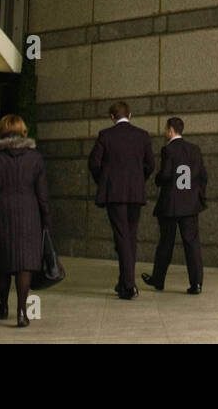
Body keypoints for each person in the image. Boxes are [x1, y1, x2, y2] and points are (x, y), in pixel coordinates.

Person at [0, 115, 51, 328]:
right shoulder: (35, 158)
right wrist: (46, 218)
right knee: (24, 265)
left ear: (1, 132)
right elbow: (42, 193)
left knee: (4, 264)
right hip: (29, 215)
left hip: (1, 215)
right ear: (23, 131)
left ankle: (3, 305)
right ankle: (22, 312)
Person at [88, 100, 154, 299]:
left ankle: (128, 284)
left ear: (112, 117)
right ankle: (124, 281)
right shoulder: (142, 136)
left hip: (114, 194)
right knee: (130, 237)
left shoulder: (105, 136)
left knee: (122, 237)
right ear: (130, 115)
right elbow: (150, 164)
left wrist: (105, 180)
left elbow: (94, 163)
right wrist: (138, 179)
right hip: (135, 193)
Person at [142, 116, 207, 294]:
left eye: (165, 129)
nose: (165, 132)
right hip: (190, 205)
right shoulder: (195, 150)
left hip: (170, 205)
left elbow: (166, 174)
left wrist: (157, 179)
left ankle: (158, 280)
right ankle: (197, 284)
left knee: (165, 244)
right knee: (192, 245)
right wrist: (197, 197)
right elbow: (203, 176)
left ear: (170, 130)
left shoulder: (168, 150)